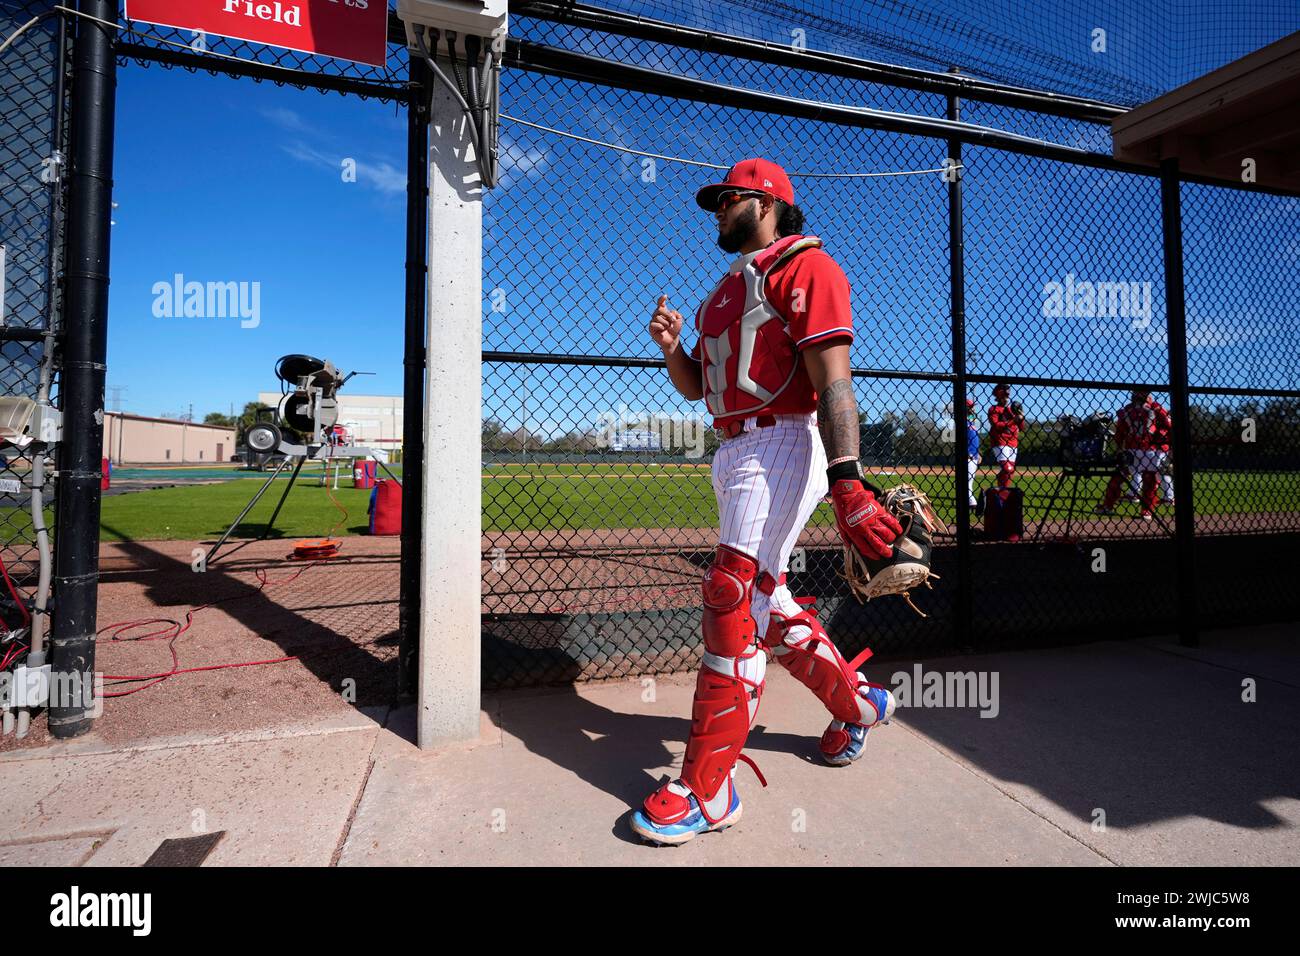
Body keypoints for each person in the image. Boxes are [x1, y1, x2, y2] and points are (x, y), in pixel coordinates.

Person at [632, 158, 907, 845]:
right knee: (767, 598)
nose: (717, 210)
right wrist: (671, 349)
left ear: (767, 201)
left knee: (732, 593)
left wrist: (849, 477)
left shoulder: (809, 269)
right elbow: (696, 388)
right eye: (717, 201)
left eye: (728, 199)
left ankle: (707, 788)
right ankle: (858, 706)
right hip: (733, 451)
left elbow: (834, 380)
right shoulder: (723, 291)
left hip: (787, 439)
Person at [1097, 388, 1172, 521]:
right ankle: (1147, 511)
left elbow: (1120, 432)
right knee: (1150, 480)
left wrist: (1120, 448)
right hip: (1151, 449)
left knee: (1119, 477)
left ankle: (1107, 506)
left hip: (1132, 449)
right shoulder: (1155, 408)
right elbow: (1169, 424)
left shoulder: (1126, 410)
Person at [987, 383, 1024, 490]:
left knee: (1010, 471)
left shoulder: (1012, 409)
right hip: (1000, 441)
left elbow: (1021, 428)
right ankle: (1001, 489)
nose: (1007, 398)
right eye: (1005, 396)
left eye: (1008, 396)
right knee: (1007, 468)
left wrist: (1021, 417)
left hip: (1013, 442)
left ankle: (1003, 492)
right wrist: (1013, 420)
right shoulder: (993, 409)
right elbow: (996, 426)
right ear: (999, 396)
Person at [965, 397, 980, 507]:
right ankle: (972, 502)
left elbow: (974, 439)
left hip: (974, 455)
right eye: (970, 407)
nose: (973, 409)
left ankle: (970, 501)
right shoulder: (961, 421)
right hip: (968, 455)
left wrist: (978, 452)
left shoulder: (971, 421)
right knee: (967, 481)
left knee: (970, 480)